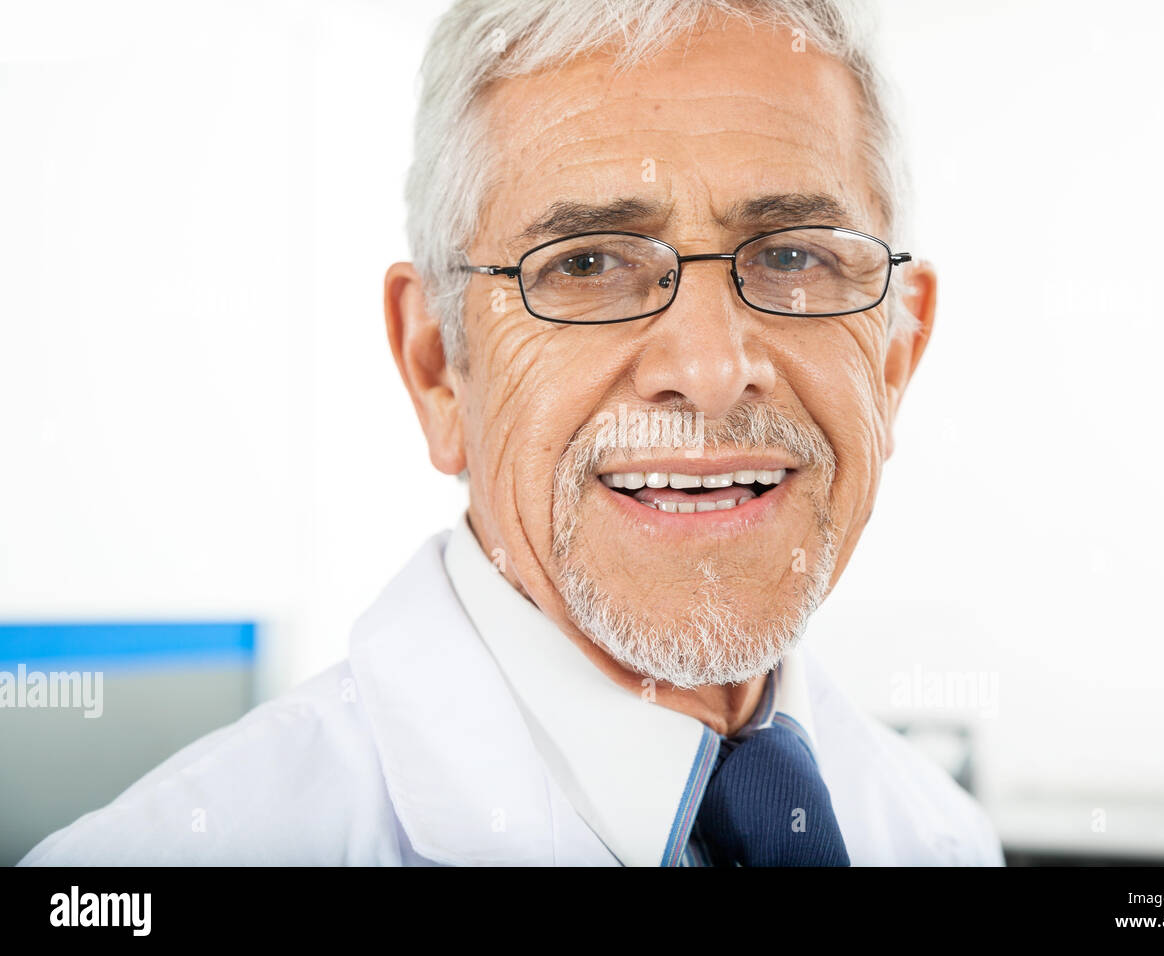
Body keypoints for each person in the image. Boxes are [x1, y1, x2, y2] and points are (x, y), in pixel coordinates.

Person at [22, 0, 1003, 866]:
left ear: (891, 357)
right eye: (585, 263)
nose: (707, 369)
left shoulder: (937, 833)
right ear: (437, 366)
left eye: (792, 253)